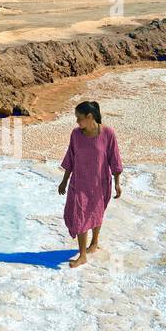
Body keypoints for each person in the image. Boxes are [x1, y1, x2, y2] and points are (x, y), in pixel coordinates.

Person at [57, 100, 123, 269]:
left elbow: (114, 159)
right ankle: (83, 255)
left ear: (90, 116)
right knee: (80, 217)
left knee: (96, 213)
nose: (77, 122)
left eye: (79, 118)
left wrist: (117, 183)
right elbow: (71, 158)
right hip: (79, 183)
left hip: (100, 183)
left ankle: (94, 242)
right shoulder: (76, 135)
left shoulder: (108, 133)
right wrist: (64, 181)